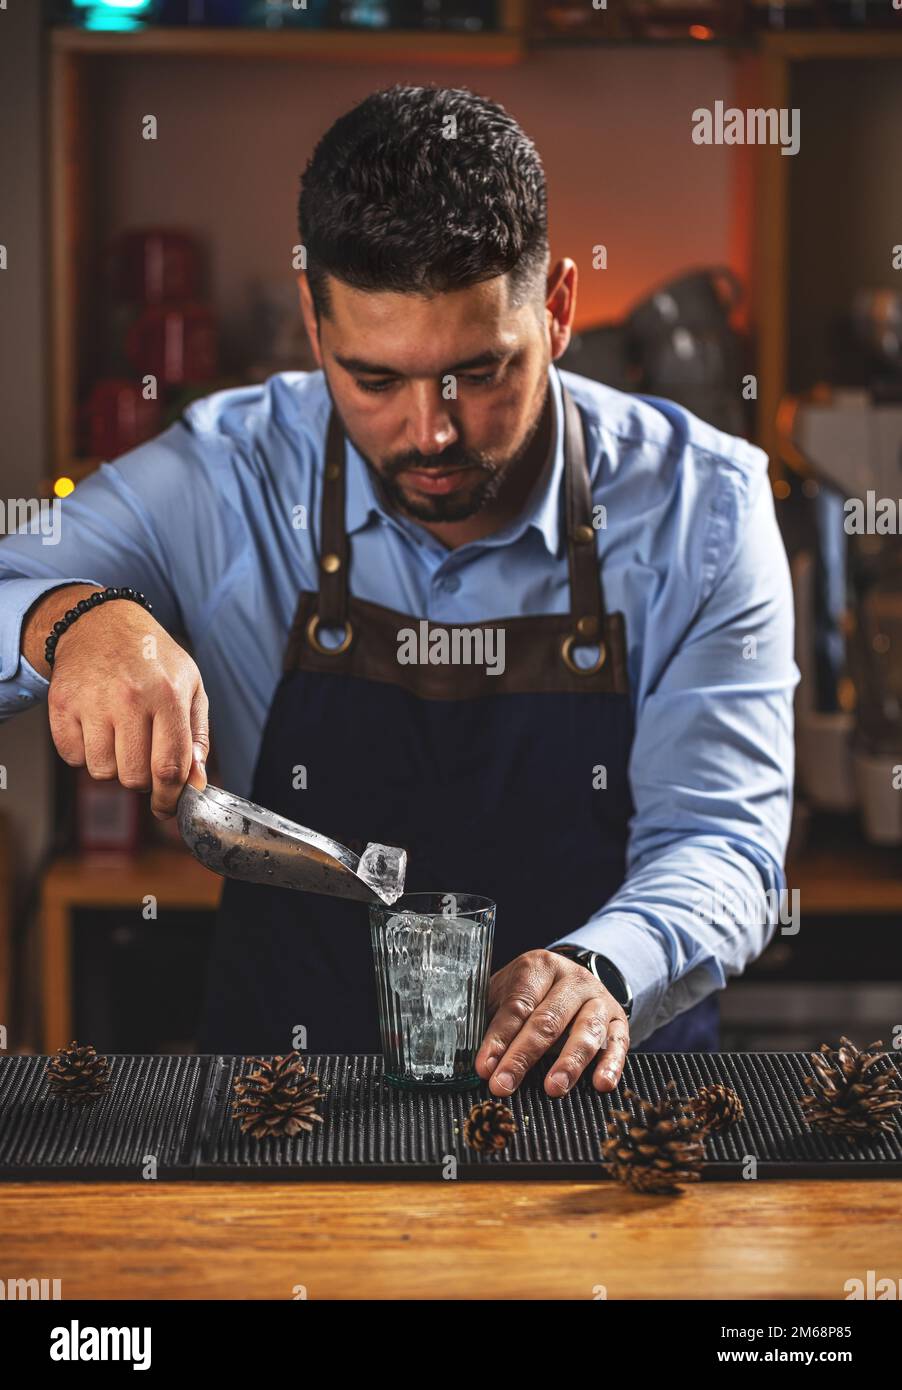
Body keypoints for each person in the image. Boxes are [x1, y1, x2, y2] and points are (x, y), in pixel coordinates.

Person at [0, 85, 798, 1098]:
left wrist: (604, 965)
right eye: (375, 380)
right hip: (289, 1112)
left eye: (478, 371)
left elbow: (720, 839)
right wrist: (65, 617)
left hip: (596, 1113)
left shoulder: (701, 506)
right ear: (313, 322)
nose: (430, 431)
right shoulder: (227, 473)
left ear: (555, 308)